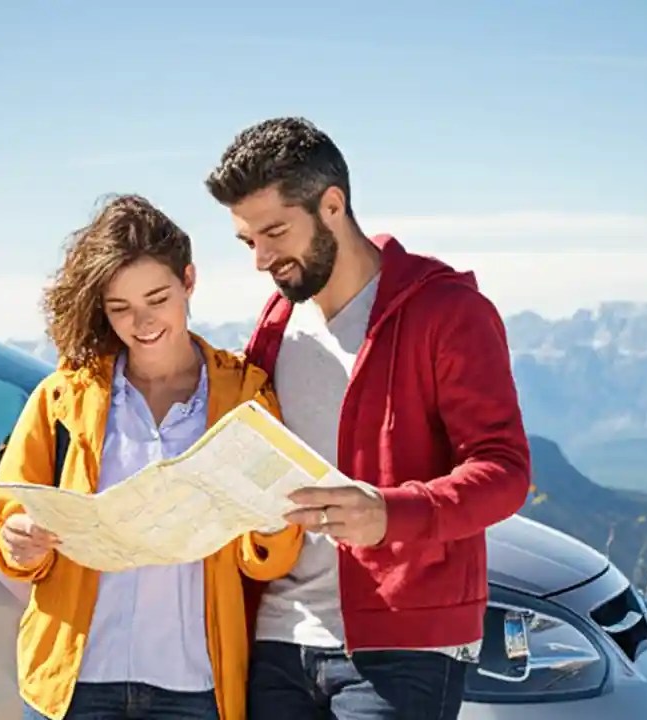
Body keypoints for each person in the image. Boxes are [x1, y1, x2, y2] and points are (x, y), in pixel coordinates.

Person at [203, 117, 533, 719]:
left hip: (402, 646)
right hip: (277, 638)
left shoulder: (446, 312)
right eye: (248, 241)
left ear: (332, 205)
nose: (261, 259)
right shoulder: (276, 327)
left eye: (274, 232)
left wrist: (389, 513)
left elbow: (505, 470)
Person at [0, 193, 304, 720]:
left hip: (194, 688)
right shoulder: (62, 396)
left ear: (189, 280)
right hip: (74, 686)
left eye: (157, 298)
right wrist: (20, 543)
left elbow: (268, 556)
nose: (142, 322)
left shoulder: (245, 396)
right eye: (120, 309)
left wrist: (272, 520)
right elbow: (12, 523)